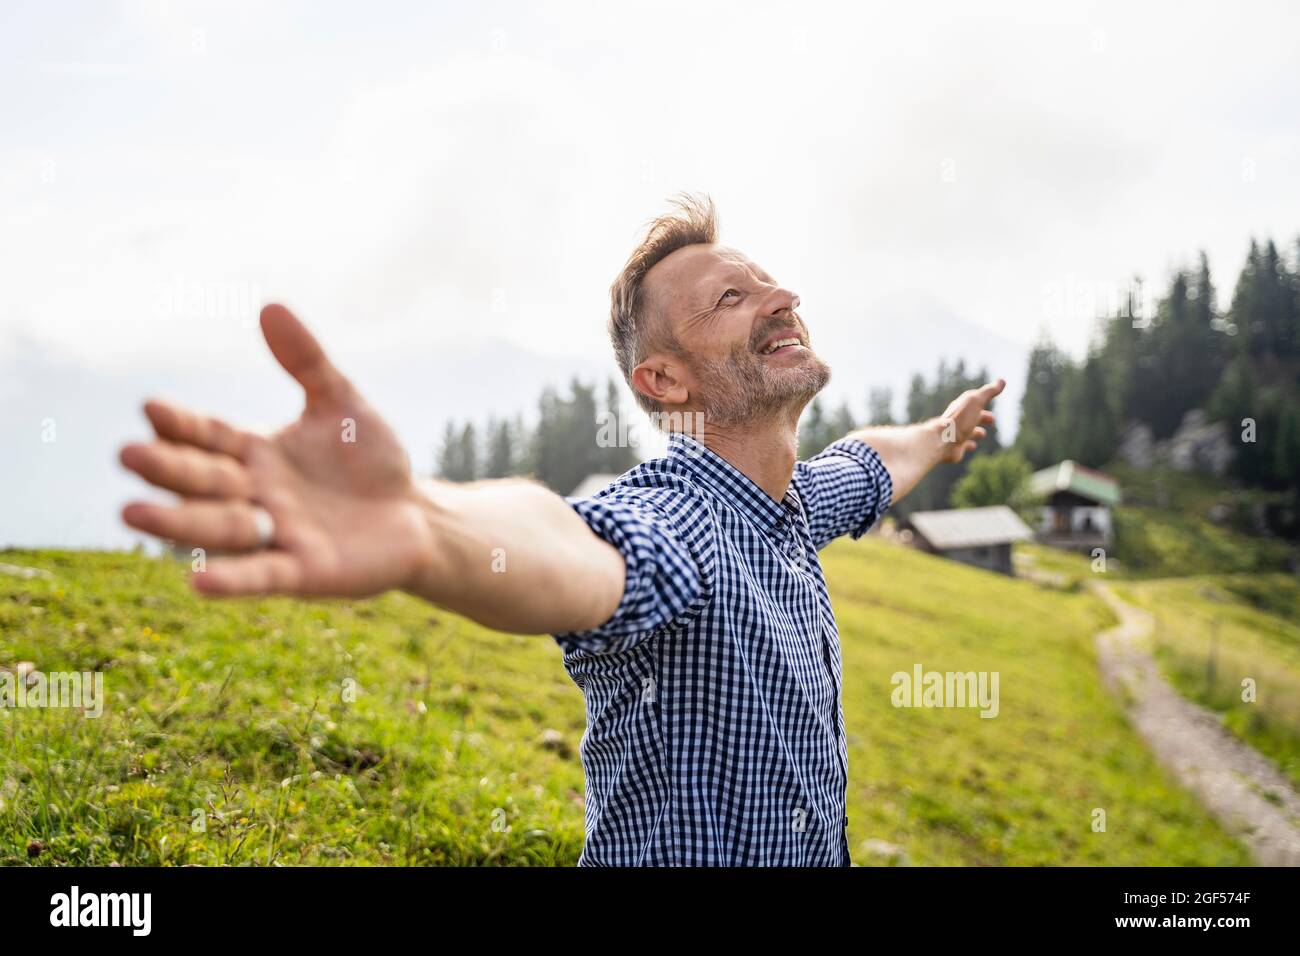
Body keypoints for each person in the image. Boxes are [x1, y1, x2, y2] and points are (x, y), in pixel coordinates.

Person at [119, 194, 1002, 866]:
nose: (783, 297)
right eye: (734, 298)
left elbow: (871, 461)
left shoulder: (795, 507)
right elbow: (577, 550)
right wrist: (424, 526)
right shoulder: (677, 522)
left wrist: (944, 432)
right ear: (664, 381)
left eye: (770, 282)